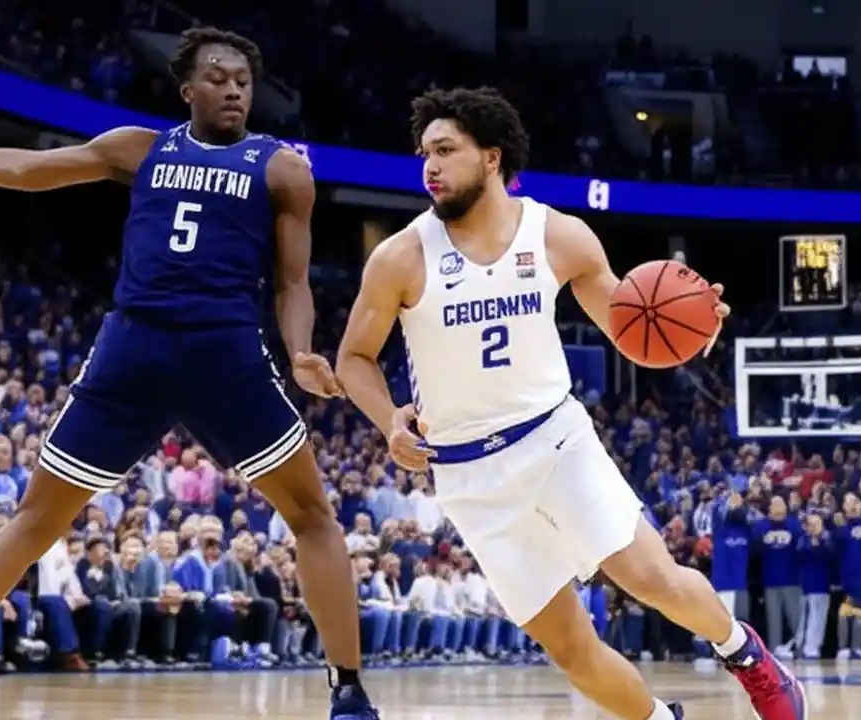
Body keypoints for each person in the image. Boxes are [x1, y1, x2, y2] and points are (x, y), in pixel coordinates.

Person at [0, 26, 377, 720]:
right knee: (35, 520)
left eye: (244, 81)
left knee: (313, 515)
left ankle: (348, 691)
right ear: (186, 89)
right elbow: (29, 170)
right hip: (135, 348)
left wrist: (301, 351)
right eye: (218, 77)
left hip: (226, 353)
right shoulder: (140, 147)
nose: (234, 90)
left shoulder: (281, 169)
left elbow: (293, 283)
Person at [335, 86, 805, 720]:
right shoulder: (400, 256)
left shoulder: (558, 235)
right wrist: (388, 419)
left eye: (445, 151)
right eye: (425, 154)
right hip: (468, 475)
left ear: (492, 157)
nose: (430, 168)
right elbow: (353, 359)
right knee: (573, 651)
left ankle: (748, 657)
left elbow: (632, 331)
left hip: (554, 440)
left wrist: (693, 328)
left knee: (652, 578)